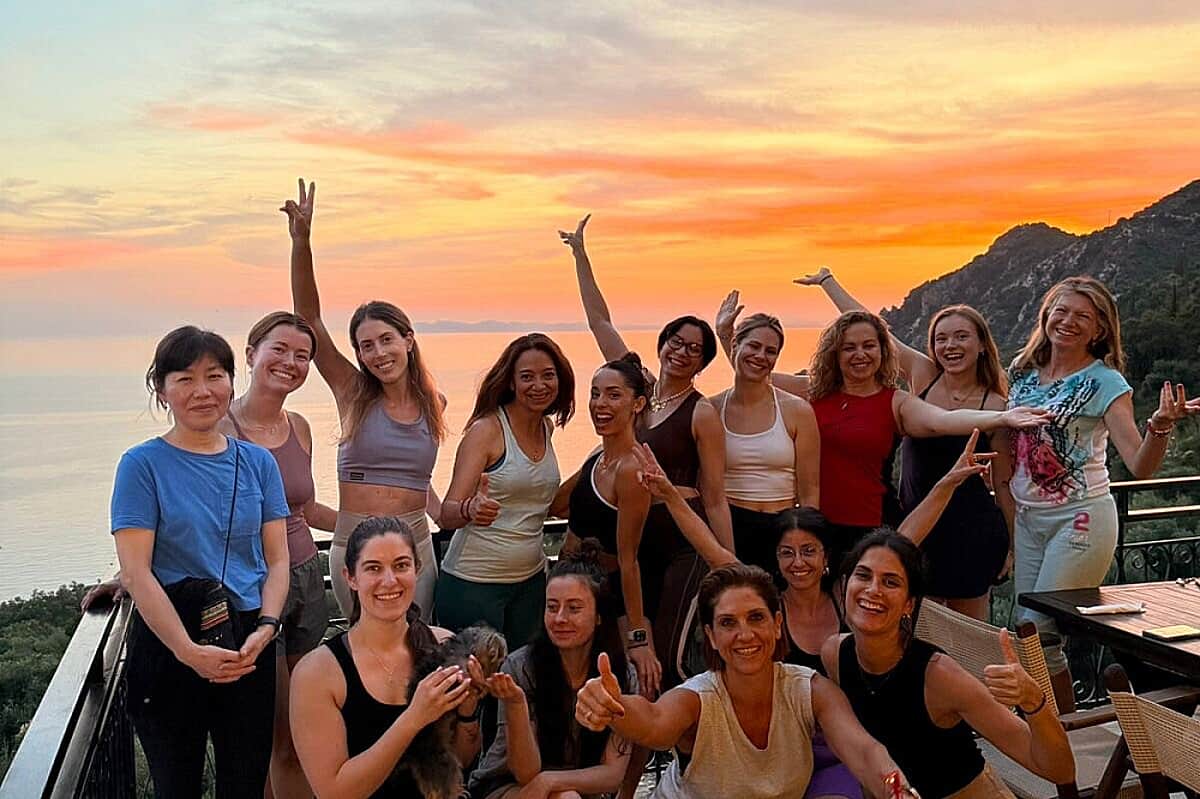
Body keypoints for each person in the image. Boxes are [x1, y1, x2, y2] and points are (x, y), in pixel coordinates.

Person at [720, 303, 1048, 568]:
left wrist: (1001, 416)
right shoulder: (815, 393)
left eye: (868, 346)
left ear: (882, 352)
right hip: (815, 527)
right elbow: (755, 373)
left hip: (871, 528)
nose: (859, 354)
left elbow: (941, 420)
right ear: (835, 354)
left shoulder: (895, 402)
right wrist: (726, 336)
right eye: (848, 347)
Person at [111, 326, 290, 797]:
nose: (202, 391)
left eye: (215, 376)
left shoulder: (258, 463)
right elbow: (135, 571)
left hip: (248, 642)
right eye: (184, 379)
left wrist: (266, 628)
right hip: (171, 643)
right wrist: (189, 653)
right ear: (162, 389)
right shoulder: (141, 465)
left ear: (232, 383)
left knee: (244, 784)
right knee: (177, 786)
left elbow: (277, 560)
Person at [1002, 276, 1200, 690]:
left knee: (1038, 634)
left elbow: (1138, 465)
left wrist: (1159, 427)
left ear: (1100, 330)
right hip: (1028, 519)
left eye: (1083, 316)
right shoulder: (1021, 372)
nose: (1069, 322)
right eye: (1062, 311)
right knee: (1027, 635)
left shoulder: (1105, 382)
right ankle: (1052, 737)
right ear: (1047, 314)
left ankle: (1056, 738)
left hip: (1080, 519)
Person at [561, 215, 734, 689]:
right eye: (676, 342)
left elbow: (714, 495)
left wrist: (729, 566)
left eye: (695, 349)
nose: (683, 352)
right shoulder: (639, 392)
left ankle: (682, 745)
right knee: (630, 650)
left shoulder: (701, 413)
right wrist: (580, 253)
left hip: (681, 544)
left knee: (669, 650)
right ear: (662, 344)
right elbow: (600, 320)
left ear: (702, 362)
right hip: (637, 541)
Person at [574, 563, 914, 799]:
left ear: (777, 624)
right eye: (727, 623)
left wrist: (898, 791)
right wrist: (614, 708)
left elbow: (865, 752)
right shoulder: (697, 698)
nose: (744, 634)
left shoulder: (809, 690)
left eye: (756, 618)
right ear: (710, 636)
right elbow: (653, 722)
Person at [795, 268, 1014, 619]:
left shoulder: (996, 406)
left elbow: (1003, 483)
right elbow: (875, 330)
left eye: (961, 337)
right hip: (914, 525)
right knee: (915, 627)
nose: (950, 346)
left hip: (971, 528)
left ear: (981, 345)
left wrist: (1012, 544)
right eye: (942, 339)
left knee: (971, 635)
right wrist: (828, 283)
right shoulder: (925, 376)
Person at [283, 179, 446, 620]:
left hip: (416, 546)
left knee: (415, 648)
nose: (378, 353)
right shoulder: (353, 391)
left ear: (409, 340)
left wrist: (447, 513)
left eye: (386, 340)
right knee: (363, 654)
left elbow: (417, 476)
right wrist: (303, 242)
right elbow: (309, 318)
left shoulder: (436, 403)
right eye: (366, 346)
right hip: (354, 545)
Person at [822, 530, 1076, 798]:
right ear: (845, 584)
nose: (873, 589)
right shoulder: (835, 654)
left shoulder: (940, 677)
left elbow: (1060, 770)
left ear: (909, 604)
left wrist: (1033, 700)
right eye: (863, 575)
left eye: (891, 582)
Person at [290, 516, 490, 799]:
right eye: (373, 568)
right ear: (350, 577)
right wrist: (414, 718)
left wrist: (469, 710)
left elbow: (460, 762)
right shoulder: (317, 672)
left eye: (401, 566)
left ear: (417, 570)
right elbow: (334, 792)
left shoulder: (444, 644)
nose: (389, 581)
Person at [436, 333, 574, 649]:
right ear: (511, 382)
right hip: (474, 585)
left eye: (547, 375)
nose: (538, 385)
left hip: (530, 582)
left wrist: (601, 462)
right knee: (476, 692)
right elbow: (447, 513)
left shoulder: (546, 427)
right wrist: (469, 509)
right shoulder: (486, 431)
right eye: (527, 377)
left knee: (520, 684)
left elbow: (538, 501)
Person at [469, 543, 635, 798]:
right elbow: (525, 773)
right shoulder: (521, 666)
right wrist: (515, 703)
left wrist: (550, 781)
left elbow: (613, 774)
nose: (559, 618)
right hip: (507, 785)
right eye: (552, 606)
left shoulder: (621, 673)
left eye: (574, 608)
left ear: (599, 616)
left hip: (576, 789)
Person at [710, 312, 821, 575]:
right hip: (729, 526)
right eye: (754, 346)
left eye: (771, 351)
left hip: (782, 527)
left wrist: (805, 545)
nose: (761, 356)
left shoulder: (797, 411)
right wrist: (728, 556)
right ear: (735, 345)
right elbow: (711, 493)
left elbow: (810, 490)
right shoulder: (712, 409)